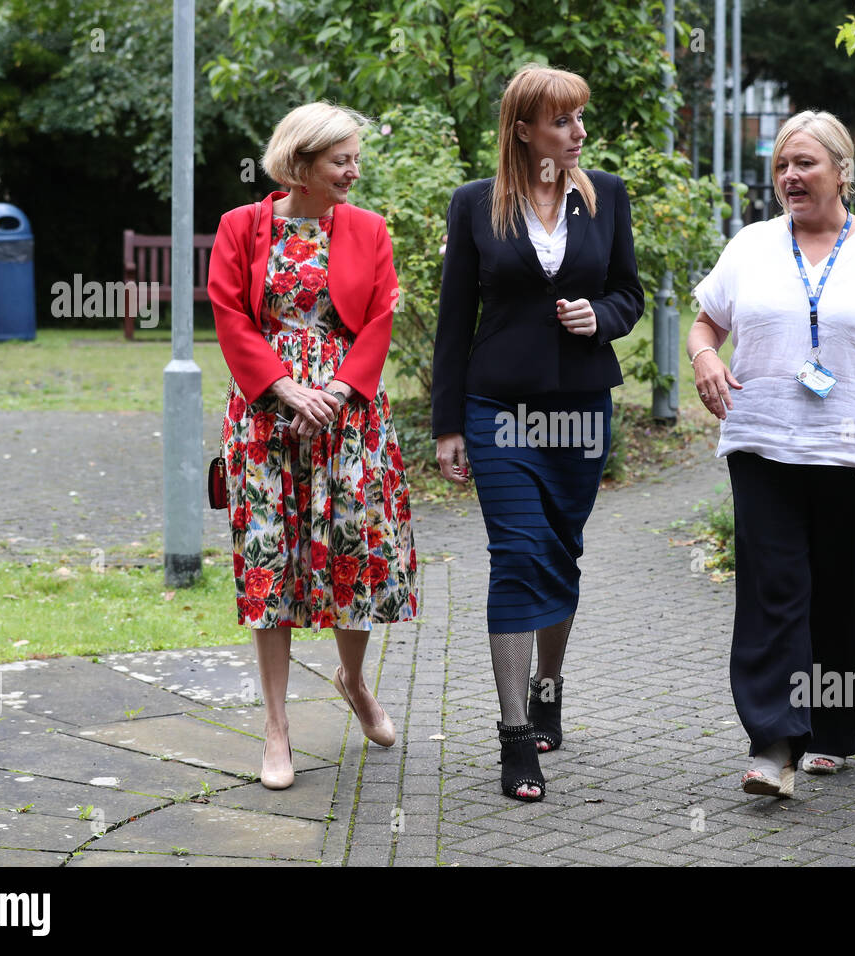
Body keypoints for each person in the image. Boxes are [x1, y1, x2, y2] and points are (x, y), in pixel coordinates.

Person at [687, 110, 855, 797]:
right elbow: (705, 320)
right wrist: (706, 355)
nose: (790, 177)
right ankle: (773, 743)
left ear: (841, 171)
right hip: (763, 442)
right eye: (780, 167)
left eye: (805, 164)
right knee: (773, 592)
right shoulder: (750, 246)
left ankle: (831, 728)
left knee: (841, 590)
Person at [432, 65, 644, 802]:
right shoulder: (474, 205)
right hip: (501, 408)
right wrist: (448, 425)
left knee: (561, 555)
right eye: (562, 121)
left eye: (582, 118)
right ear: (524, 130)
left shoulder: (606, 197)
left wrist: (602, 317)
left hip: (582, 408)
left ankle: (550, 685)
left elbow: (629, 293)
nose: (578, 133)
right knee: (516, 556)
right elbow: (455, 317)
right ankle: (516, 734)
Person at [208, 102, 418, 791]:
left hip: (348, 415)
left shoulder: (369, 230)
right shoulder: (242, 226)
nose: (354, 171)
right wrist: (284, 391)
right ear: (300, 165)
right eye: (341, 161)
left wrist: (331, 392)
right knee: (271, 564)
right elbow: (230, 313)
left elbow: (382, 314)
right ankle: (276, 729)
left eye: (355, 158)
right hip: (266, 420)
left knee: (353, 553)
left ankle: (353, 681)